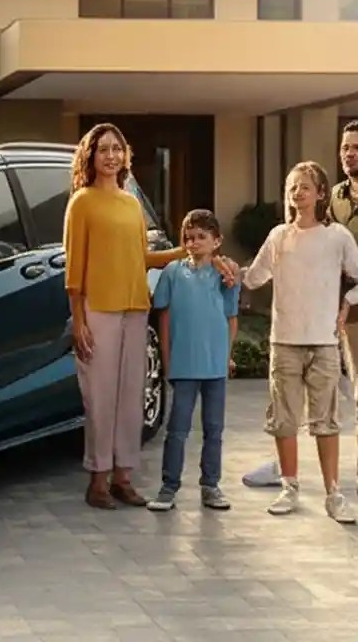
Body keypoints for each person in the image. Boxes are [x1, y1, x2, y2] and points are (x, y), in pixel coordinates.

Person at [240, 121, 358, 509]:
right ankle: (286, 470)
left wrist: (353, 307)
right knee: (292, 395)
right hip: (316, 313)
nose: (348, 154)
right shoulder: (333, 197)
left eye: (357, 148)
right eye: (344, 148)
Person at [64, 122, 238, 510]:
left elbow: (140, 257)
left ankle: (124, 477)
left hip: (135, 309)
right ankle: (98, 481)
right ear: (90, 156)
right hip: (99, 309)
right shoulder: (83, 202)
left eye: (117, 149)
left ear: (125, 156)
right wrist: (78, 318)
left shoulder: (131, 203)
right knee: (100, 398)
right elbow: (74, 267)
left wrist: (189, 253)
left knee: (131, 397)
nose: (111, 156)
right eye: (103, 149)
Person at [240, 160, 358, 524]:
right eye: (293, 187)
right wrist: (225, 270)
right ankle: (289, 487)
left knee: (326, 421)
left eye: (305, 186)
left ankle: (333, 494)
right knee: (284, 420)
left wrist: (346, 308)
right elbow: (253, 277)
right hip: (285, 341)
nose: (298, 193)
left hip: (323, 344)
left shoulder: (337, 237)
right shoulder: (279, 236)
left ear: (321, 193)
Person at [145, 209, 240, 513]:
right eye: (189, 237)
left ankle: (210, 485)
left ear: (217, 240)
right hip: (184, 364)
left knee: (214, 428)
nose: (194, 242)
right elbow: (164, 316)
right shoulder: (173, 272)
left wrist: (227, 356)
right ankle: (168, 486)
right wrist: (166, 356)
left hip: (214, 365)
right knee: (178, 428)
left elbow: (231, 318)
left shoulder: (226, 274)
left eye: (202, 236)